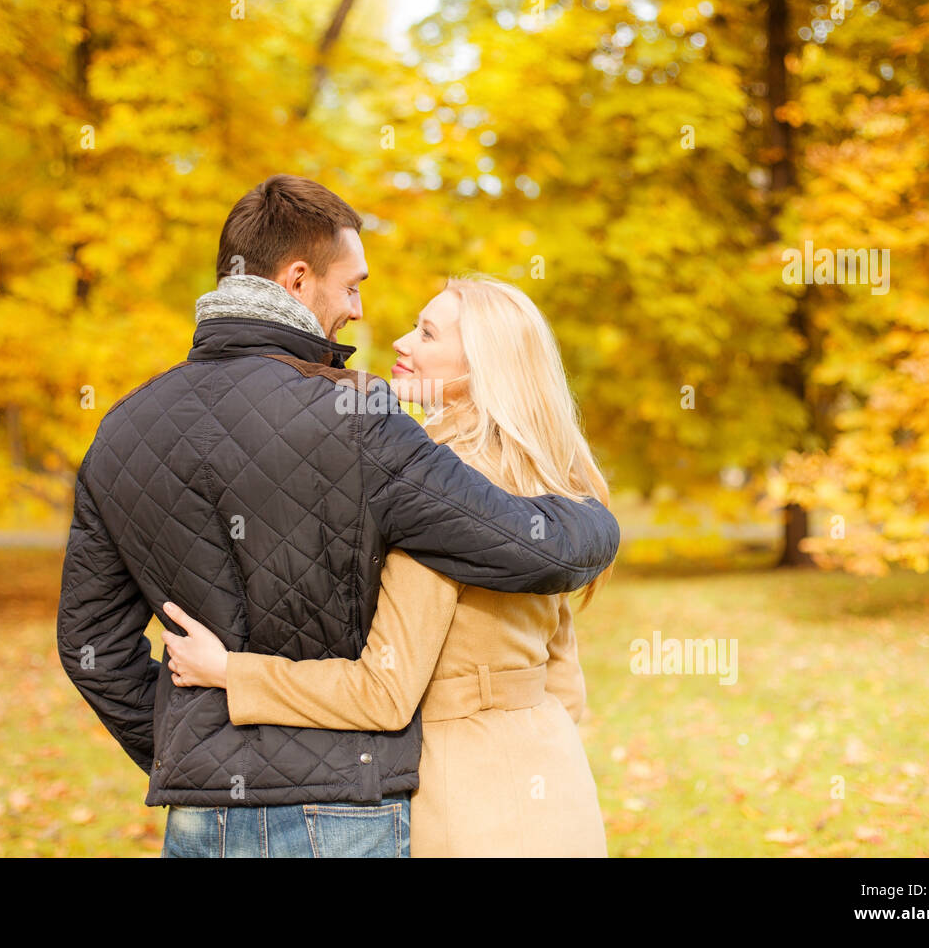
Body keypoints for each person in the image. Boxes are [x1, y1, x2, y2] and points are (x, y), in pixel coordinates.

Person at [56, 175, 620, 858]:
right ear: (298, 279)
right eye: (352, 286)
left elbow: (92, 649)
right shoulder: (361, 420)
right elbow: (528, 548)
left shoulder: (120, 432)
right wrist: (597, 523)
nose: (359, 311)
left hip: (203, 815)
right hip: (344, 810)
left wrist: (195, 748)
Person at [162, 276, 614, 857]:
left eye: (427, 333)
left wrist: (230, 670)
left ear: (481, 368)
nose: (402, 341)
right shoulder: (543, 480)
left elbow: (383, 691)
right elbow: (564, 678)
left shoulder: (439, 490)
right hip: (557, 785)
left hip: (467, 801)